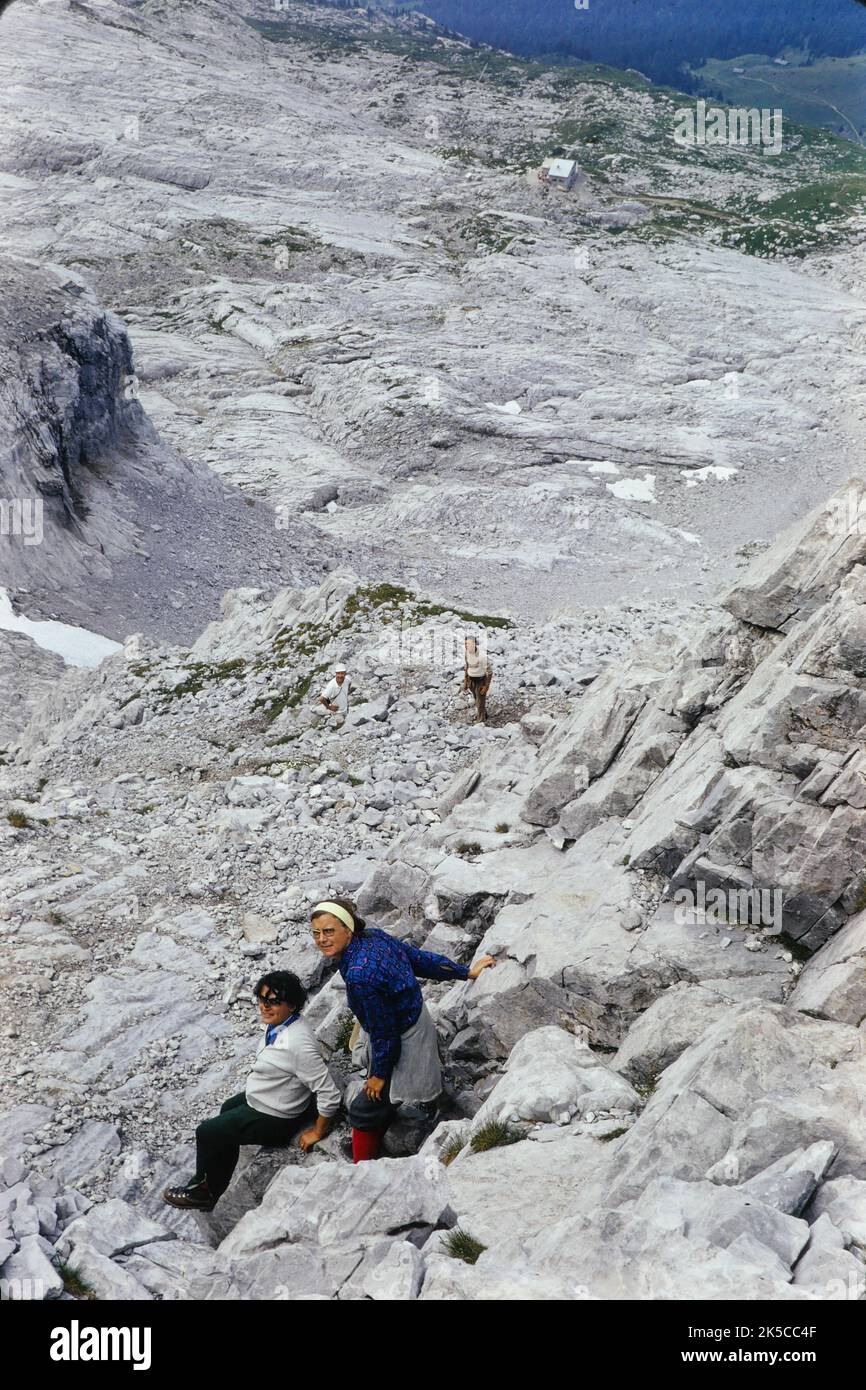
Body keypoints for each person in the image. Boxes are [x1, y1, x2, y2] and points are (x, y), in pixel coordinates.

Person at [309, 898, 496, 1163]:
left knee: (365, 1109)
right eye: (316, 933)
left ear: (348, 930)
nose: (321, 939)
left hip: (403, 1036)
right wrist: (464, 972)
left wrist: (379, 1075)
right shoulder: (373, 937)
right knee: (379, 1094)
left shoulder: (360, 975)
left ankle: (362, 1169)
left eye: (329, 931)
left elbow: (385, 1033)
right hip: (416, 1018)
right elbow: (417, 959)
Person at [162, 971, 340, 1212]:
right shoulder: (280, 1025)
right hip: (265, 1099)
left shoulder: (298, 1043)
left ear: (292, 1005)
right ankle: (215, 1184)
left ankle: (201, 1192)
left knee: (207, 1132)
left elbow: (329, 1092)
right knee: (227, 1108)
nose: (265, 1006)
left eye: (274, 1001)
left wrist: (318, 1131)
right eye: (262, 999)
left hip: (275, 1116)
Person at [462, 635, 492, 723]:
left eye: (469, 644)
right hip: (471, 680)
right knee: (477, 699)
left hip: (480, 681)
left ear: (475, 644)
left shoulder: (482, 656)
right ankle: (483, 714)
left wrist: (486, 686)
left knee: (480, 701)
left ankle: (481, 721)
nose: (467, 646)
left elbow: (489, 672)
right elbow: (467, 666)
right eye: (466, 644)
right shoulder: (466, 653)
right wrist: (466, 681)